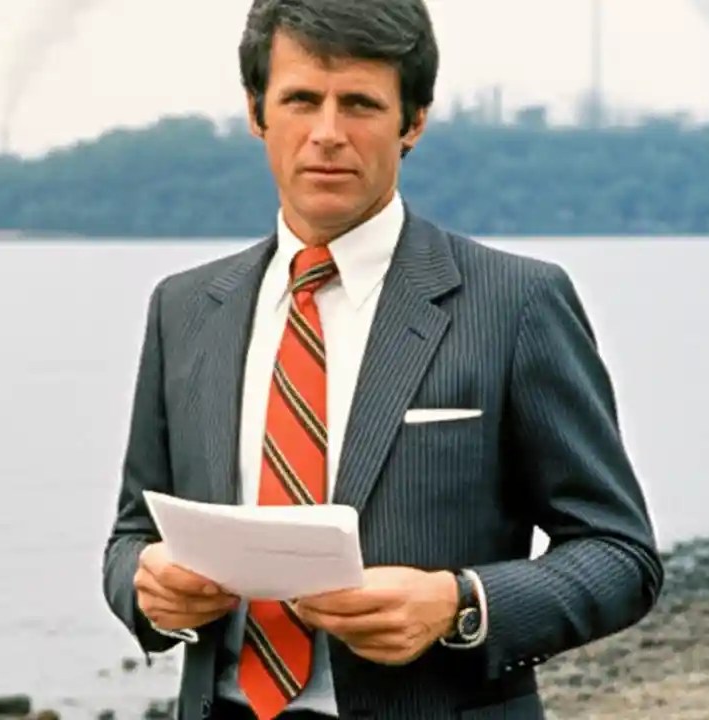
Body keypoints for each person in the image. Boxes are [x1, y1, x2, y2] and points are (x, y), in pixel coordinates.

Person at [101, 1, 663, 718]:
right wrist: (147, 587)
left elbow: (621, 555)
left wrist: (460, 604)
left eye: (360, 104)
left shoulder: (516, 303)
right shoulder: (182, 309)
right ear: (256, 112)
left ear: (413, 121)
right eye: (301, 100)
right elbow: (132, 536)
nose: (328, 133)